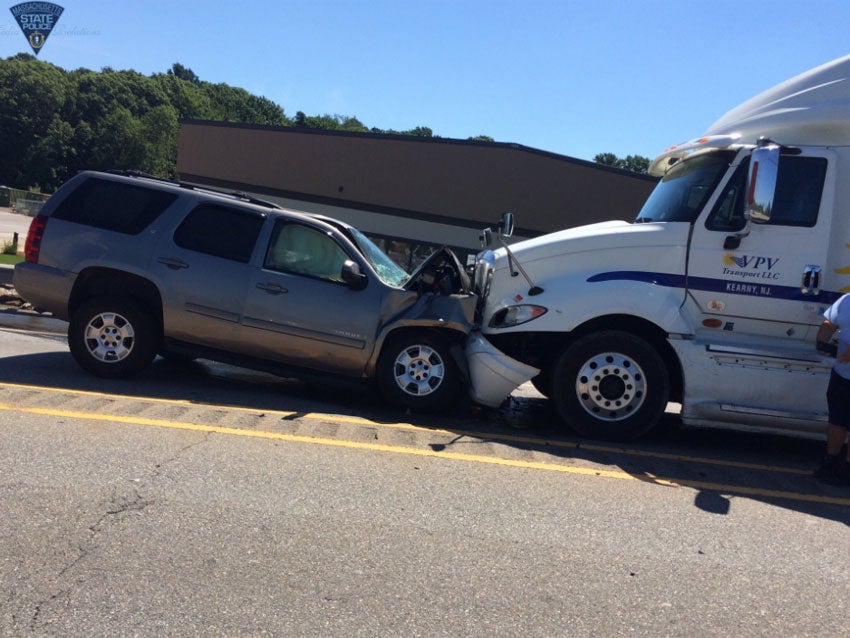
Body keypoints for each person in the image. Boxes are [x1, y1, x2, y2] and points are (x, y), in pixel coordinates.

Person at [814, 294, 850, 485]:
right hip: (842, 373)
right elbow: (830, 322)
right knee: (837, 421)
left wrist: (847, 355)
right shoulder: (847, 300)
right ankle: (830, 462)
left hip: (844, 365)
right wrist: (822, 341)